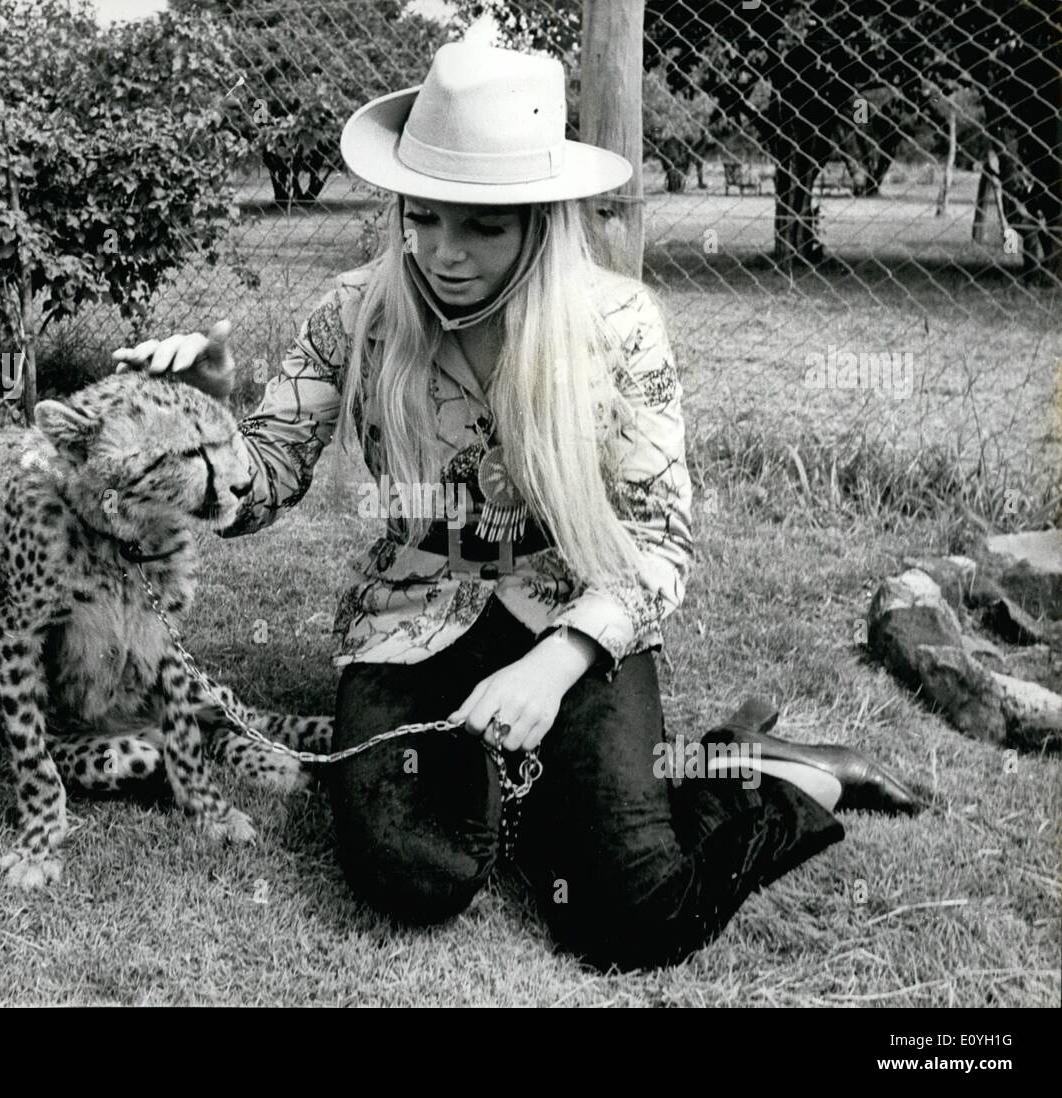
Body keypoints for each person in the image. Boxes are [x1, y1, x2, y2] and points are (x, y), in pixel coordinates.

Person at [113, 41, 921, 973]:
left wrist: (556, 666)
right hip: (409, 617)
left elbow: (660, 541)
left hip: (574, 610)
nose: (443, 253)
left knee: (631, 912)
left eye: (483, 227)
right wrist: (208, 423)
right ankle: (539, 789)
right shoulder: (351, 314)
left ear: (540, 222)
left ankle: (766, 769)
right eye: (423, 218)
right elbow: (267, 477)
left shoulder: (619, 327)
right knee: (417, 874)